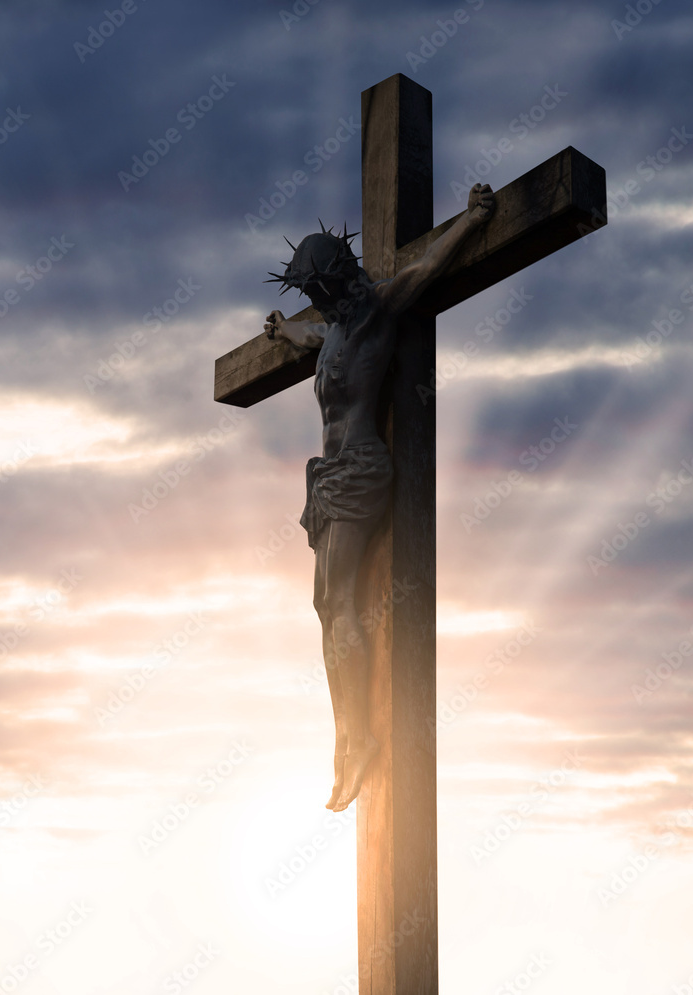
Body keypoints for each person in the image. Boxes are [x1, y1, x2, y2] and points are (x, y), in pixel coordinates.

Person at [263, 182, 494, 811]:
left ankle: (356, 738)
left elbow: (427, 268)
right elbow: (311, 344)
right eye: (308, 294)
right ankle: (346, 735)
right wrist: (286, 334)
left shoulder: (375, 313)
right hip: (329, 477)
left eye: (319, 289)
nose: (318, 299)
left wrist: (472, 222)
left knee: (337, 602)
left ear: (341, 277)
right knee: (326, 604)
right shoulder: (334, 333)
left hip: (360, 468)